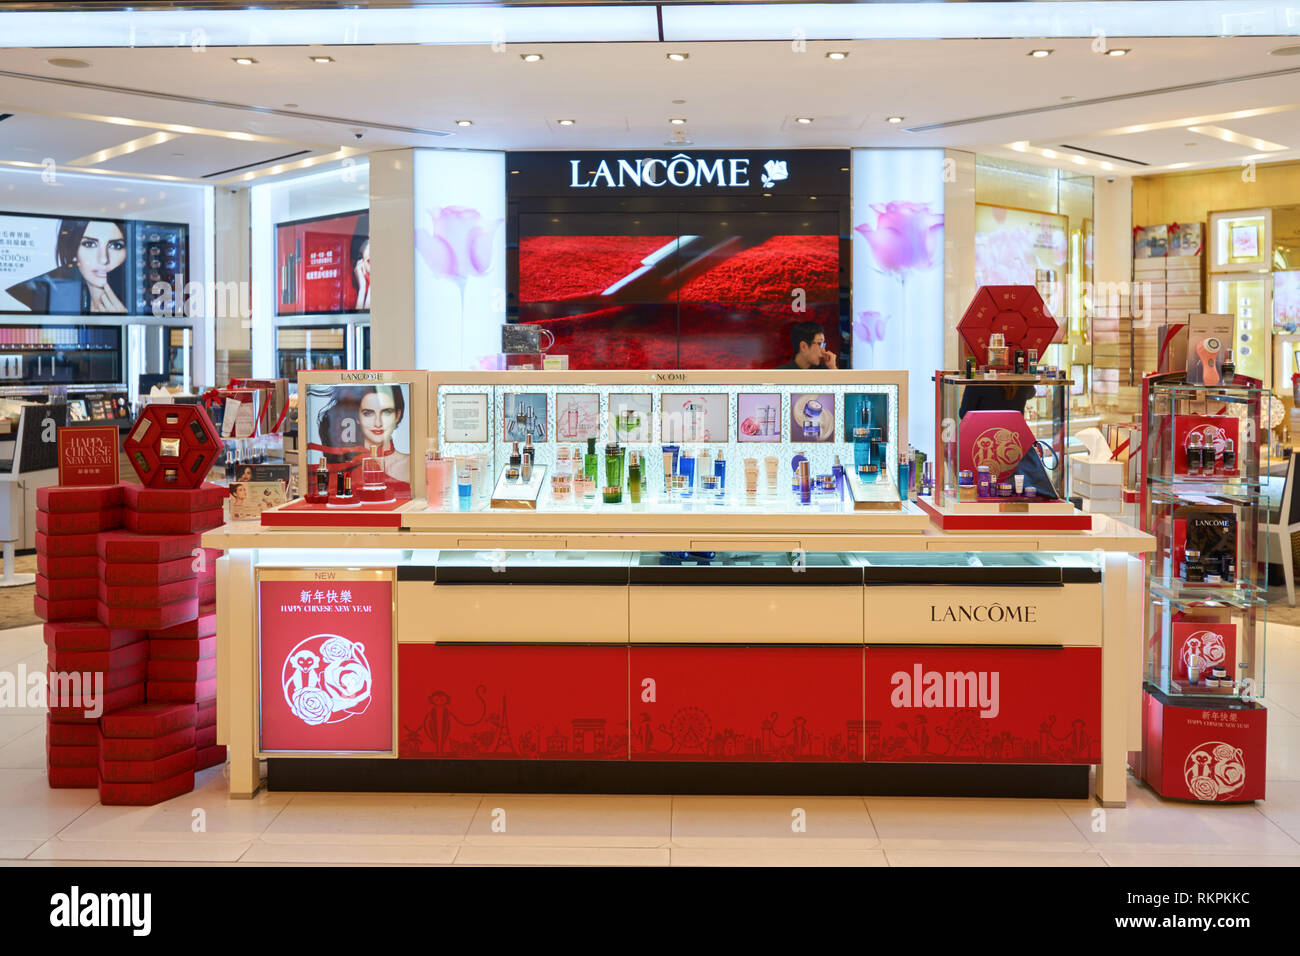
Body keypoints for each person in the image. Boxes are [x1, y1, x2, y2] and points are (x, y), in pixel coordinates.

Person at [5, 218, 128, 314]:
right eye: (89, 244)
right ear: (73, 251)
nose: (103, 258)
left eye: (116, 246)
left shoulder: (136, 305)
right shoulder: (39, 294)